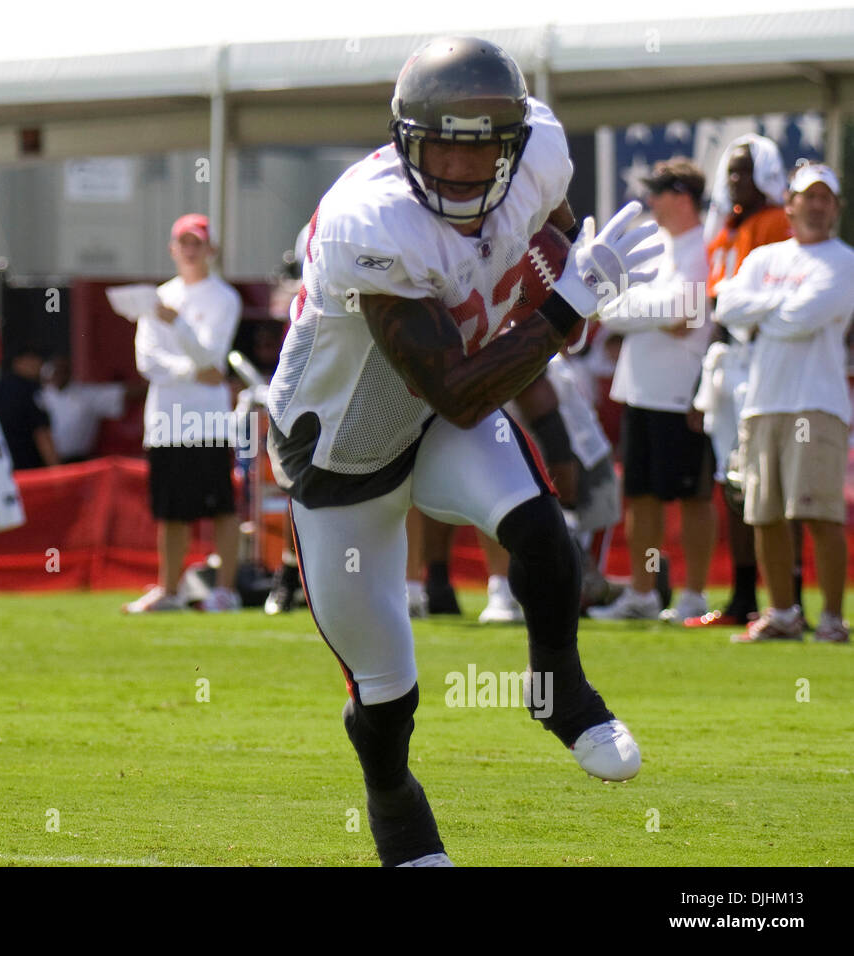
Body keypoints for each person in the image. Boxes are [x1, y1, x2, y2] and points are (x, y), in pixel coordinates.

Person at [266, 37, 660, 865]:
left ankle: (559, 693)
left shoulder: (542, 149)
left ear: (514, 144)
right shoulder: (371, 223)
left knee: (543, 535)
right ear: (404, 139)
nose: (457, 166)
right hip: (341, 460)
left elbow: (547, 219)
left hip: (433, 416)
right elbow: (455, 388)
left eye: (480, 146)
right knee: (387, 695)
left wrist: (565, 252)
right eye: (439, 143)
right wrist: (568, 305)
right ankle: (398, 814)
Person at [714, 162, 854, 644]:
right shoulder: (763, 258)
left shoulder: (844, 261)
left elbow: (802, 317)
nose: (816, 205)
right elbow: (726, 307)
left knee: (818, 512)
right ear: (790, 204)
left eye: (825, 198)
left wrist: (762, 311)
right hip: (762, 401)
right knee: (765, 512)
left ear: (835, 208)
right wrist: (773, 310)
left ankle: (832, 619)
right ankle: (782, 614)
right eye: (807, 197)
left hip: (817, 403)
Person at [588, 159, 716, 622]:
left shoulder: (704, 246)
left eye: (658, 192)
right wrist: (649, 310)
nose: (650, 202)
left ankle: (694, 595)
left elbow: (685, 315)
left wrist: (636, 309)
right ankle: (643, 593)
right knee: (640, 495)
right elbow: (608, 307)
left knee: (693, 496)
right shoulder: (651, 244)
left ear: (680, 196)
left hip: (683, 392)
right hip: (638, 388)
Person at [686, 136, 792, 628]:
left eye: (745, 171)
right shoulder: (725, 229)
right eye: (730, 172)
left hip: (759, 358)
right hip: (726, 357)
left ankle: (781, 597)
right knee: (730, 482)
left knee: (766, 479)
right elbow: (714, 306)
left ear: (766, 175)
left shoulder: (773, 224)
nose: (734, 181)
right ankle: (744, 593)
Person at [125, 214, 243, 613]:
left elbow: (213, 354)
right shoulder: (158, 297)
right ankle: (169, 590)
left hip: (207, 419)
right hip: (164, 420)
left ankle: (225, 591)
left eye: (197, 243)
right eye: (183, 243)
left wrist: (181, 330)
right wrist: (190, 371)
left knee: (220, 507)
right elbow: (147, 360)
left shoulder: (224, 297)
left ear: (210, 250)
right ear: (173, 249)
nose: (190, 251)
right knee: (170, 511)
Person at [38, 355, 130, 464]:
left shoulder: (85, 395)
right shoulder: (39, 396)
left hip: (78, 461)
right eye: (54, 371)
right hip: (43, 461)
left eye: (62, 370)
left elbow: (121, 393)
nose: (58, 375)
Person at [0, 347, 60, 470]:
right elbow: (42, 434)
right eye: (34, 359)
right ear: (19, 361)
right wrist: (57, 471)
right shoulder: (31, 390)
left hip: (0, 468)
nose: (39, 365)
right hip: (29, 470)